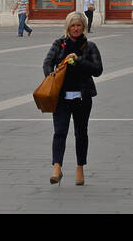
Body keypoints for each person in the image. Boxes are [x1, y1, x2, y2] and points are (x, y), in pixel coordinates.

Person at [42, 11, 103, 186]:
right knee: (59, 132)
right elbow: (47, 62)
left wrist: (78, 60)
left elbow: (98, 70)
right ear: (67, 27)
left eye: (79, 25)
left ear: (84, 27)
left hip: (82, 97)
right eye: (73, 25)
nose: (76, 28)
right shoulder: (59, 44)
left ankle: (80, 167)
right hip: (61, 97)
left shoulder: (90, 47)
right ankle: (56, 167)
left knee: (81, 133)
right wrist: (51, 76)